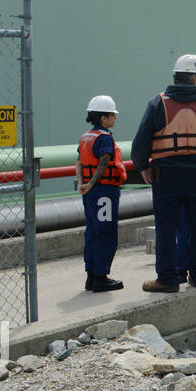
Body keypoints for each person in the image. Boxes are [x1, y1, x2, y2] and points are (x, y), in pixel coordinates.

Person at [131, 54, 196, 293]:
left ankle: (167, 278)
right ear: (194, 78)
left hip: (166, 175)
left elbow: (141, 141)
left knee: (166, 227)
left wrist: (143, 165)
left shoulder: (158, 103)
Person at [76, 95, 126, 292]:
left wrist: (83, 184)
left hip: (90, 191)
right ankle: (101, 276)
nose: (115, 118)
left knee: (93, 232)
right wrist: (93, 183)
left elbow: (79, 162)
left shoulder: (86, 137)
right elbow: (104, 163)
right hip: (104, 191)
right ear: (103, 118)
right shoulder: (104, 137)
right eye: (112, 115)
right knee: (106, 232)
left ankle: (91, 275)